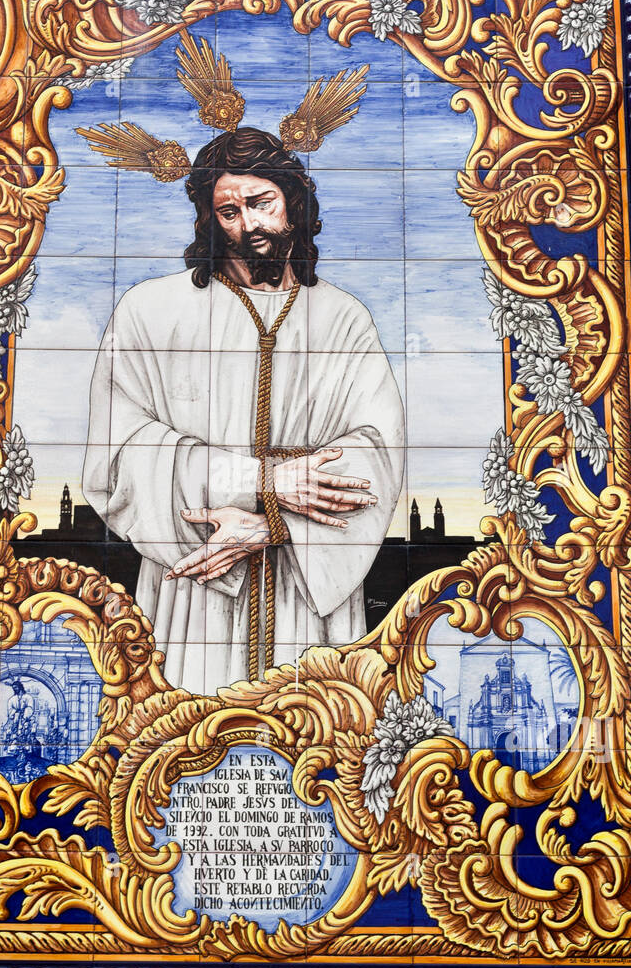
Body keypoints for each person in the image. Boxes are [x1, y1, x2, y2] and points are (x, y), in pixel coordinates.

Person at [82, 127, 405, 692]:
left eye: (261, 204)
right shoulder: (149, 311)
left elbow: (377, 449)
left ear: (294, 204)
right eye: (228, 211)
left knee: (315, 741)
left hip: (309, 593)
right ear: (209, 220)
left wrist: (273, 525)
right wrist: (259, 479)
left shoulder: (343, 317)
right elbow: (118, 452)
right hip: (199, 578)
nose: (248, 226)